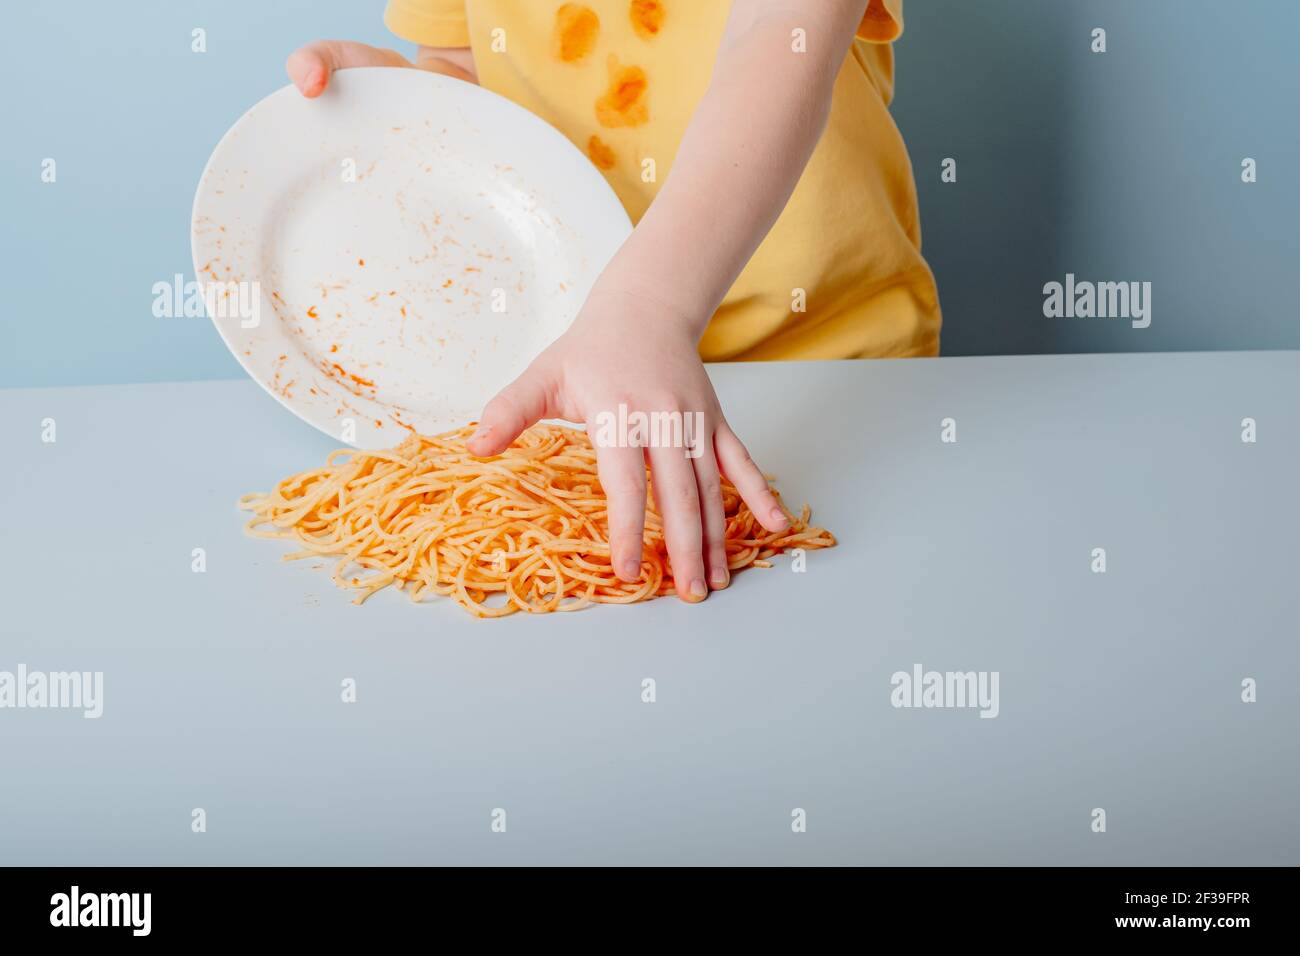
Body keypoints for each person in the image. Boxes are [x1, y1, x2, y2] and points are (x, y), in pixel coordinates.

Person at [286, 0, 939, 603]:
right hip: (586, 396)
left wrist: (650, 306)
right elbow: (471, 66)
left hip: (825, 366)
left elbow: (779, 36)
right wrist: (408, 112)